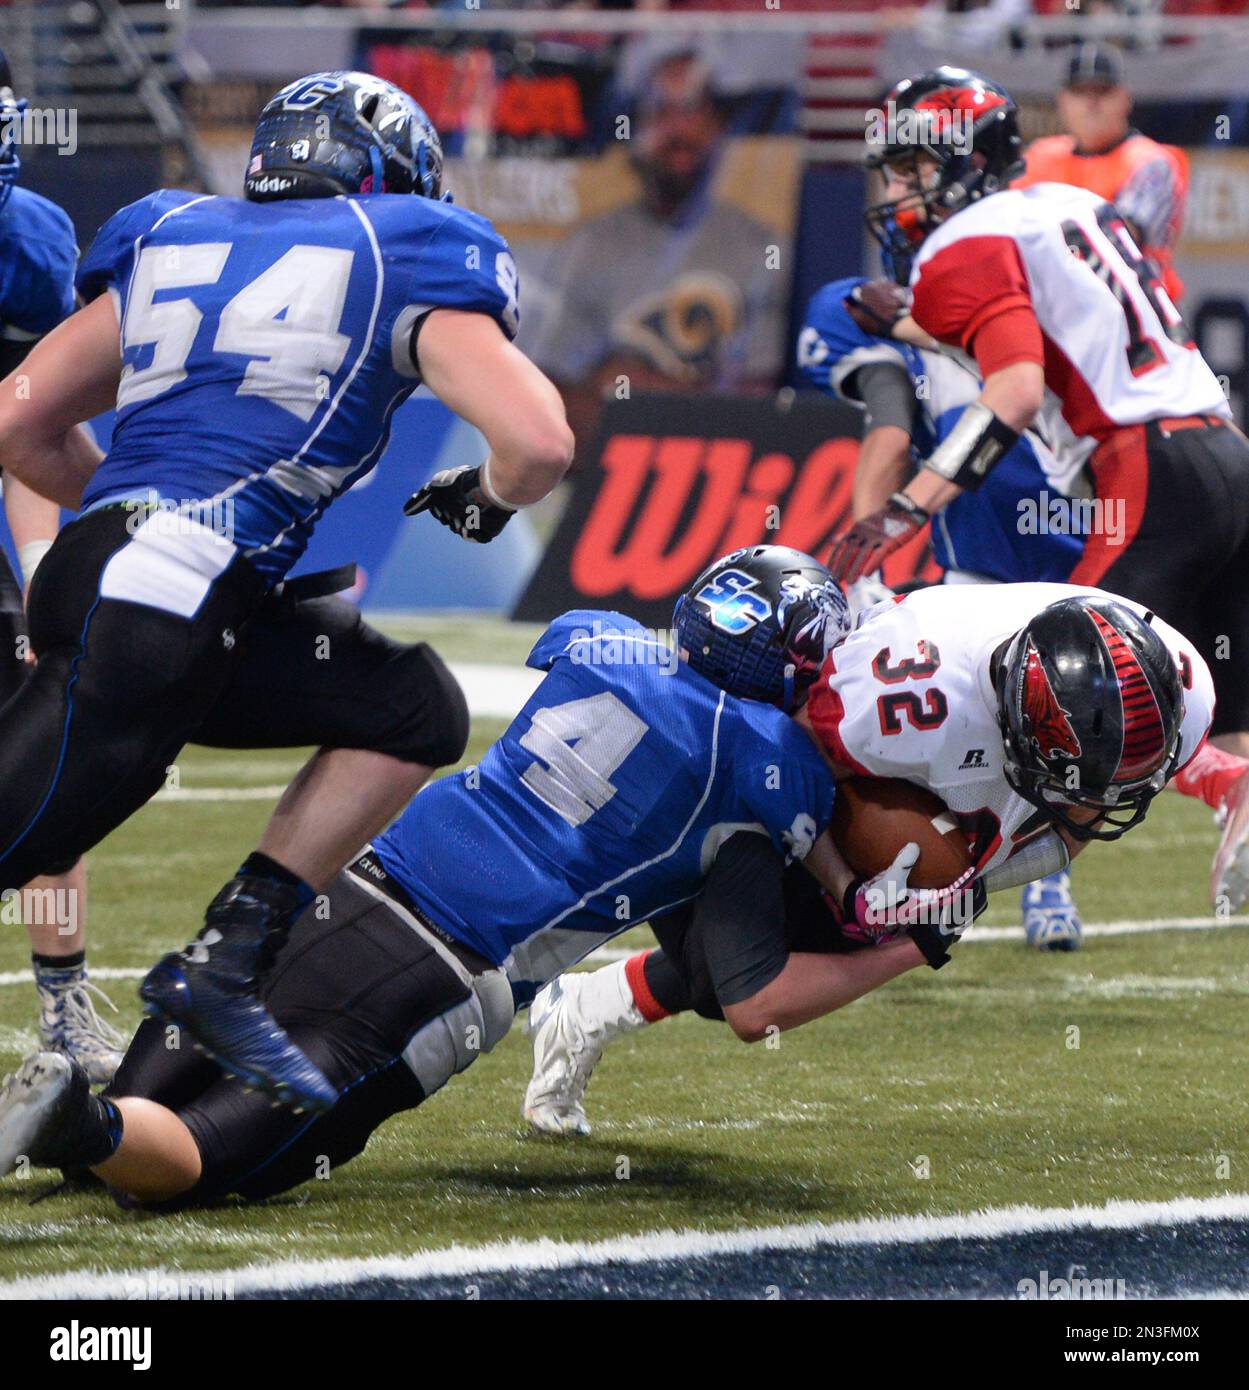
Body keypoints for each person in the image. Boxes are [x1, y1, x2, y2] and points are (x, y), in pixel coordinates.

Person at [0, 547, 950, 1207]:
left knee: (150, 1110)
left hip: (343, 887)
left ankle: (86, 1110)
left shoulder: (596, 638)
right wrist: (903, 918)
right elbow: (813, 901)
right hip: (442, 973)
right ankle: (80, 1124)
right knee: (202, 1165)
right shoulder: (766, 759)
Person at [0, 70, 573, 1114]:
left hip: (146, 587)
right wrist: (482, 502)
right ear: (389, 170)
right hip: (161, 601)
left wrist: (122, 516)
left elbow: (18, 424)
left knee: (411, 706)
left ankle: (225, 963)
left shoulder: (171, 230)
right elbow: (537, 442)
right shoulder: (404, 245)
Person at [525, 582, 1214, 1136]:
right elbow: (779, 758)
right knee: (750, 997)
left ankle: (584, 1008)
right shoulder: (895, 702)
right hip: (756, 769)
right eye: (1074, 774)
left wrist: (969, 889)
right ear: (1016, 719)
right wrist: (858, 891)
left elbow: (1077, 816)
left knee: (778, 964)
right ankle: (512, 966)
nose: (1094, 806)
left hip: (937, 757)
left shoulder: (1169, 690)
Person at [825, 65, 1249, 915]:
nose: (897, 188)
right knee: (1217, 697)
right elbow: (1058, 334)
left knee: (1077, 694)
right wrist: (910, 319)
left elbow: (1013, 390)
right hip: (1225, 455)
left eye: (912, 167)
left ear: (963, 161)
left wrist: (912, 505)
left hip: (1146, 470)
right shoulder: (1062, 205)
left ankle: (978, 886)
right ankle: (1232, 794)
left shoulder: (965, 240)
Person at [800, 274, 1090, 949]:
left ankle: (985, 874)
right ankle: (1028, 871)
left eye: (910, 168)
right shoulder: (866, 298)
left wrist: (866, 548)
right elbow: (892, 426)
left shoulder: (956, 290)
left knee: (1011, 725)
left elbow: (894, 434)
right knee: (1071, 717)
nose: (901, 189)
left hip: (1010, 556)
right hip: (1061, 539)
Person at [0, 47, 123, 1079]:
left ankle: (62, 1005)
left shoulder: (28, 241)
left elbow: (35, 428)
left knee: (43, 769)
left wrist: (43, 577)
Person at [529, 50, 788, 445]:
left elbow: (756, 407)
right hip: (599, 467)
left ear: (719, 128)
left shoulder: (760, 246)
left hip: (717, 470)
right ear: (633, 129)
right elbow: (548, 391)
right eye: (661, 111)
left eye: (693, 110)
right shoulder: (590, 244)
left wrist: (641, 389)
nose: (679, 130)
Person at [1015, 43, 1188, 304]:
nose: (1091, 103)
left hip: (1136, 317)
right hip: (1055, 311)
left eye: (1102, 91)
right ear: (1062, 101)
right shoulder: (1040, 156)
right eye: (1080, 92)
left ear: (1124, 98)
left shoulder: (1151, 162)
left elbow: (1115, 240)